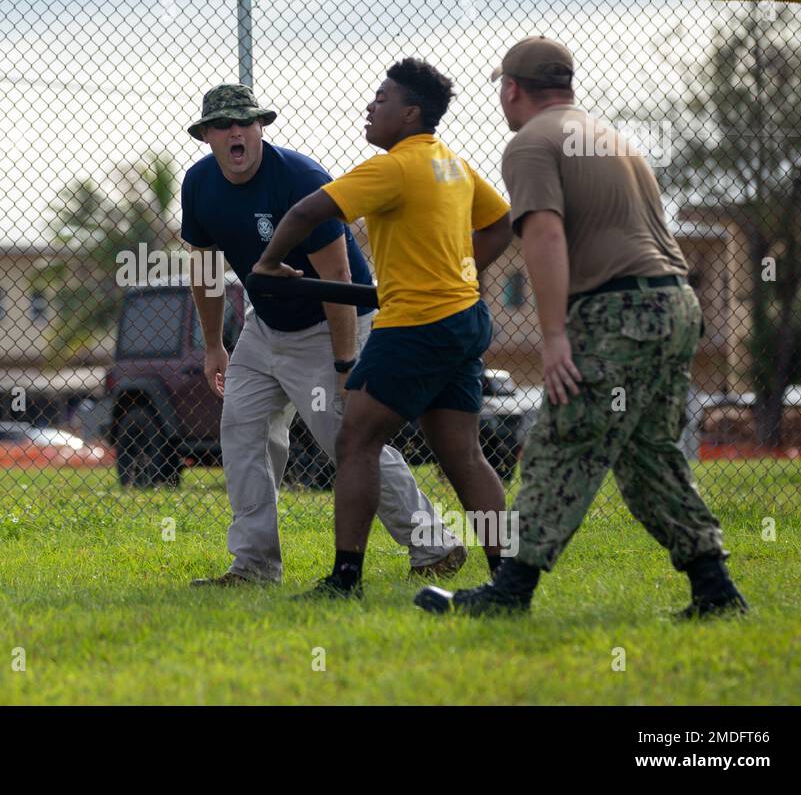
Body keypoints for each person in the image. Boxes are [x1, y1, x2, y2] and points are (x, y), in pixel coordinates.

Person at [417, 37, 747, 618]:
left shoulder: (530, 143)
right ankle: (715, 591)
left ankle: (509, 593)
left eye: (502, 88)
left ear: (512, 89)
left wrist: (553, 338)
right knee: (649, 456)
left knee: (559, 445)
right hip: (674, 306)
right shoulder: (614, 140)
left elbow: (542, 234)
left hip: (617, 312)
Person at [181, 83, 464, 587]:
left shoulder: (299, 180)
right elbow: (204, 269)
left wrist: (344, 365)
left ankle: (434, 543)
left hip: (331, 325)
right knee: (241, 433)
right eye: (223, 125)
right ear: (206, 136)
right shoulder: (199, 184)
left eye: (245, 122)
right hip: (264, 328)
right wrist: (213, 346)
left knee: (347, 437)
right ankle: (254, 566)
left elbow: (339, 282)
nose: (236, 132)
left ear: (261, 127)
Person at [253, 59, 513, 600]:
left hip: (415, 325)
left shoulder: (393, 166)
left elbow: (306, 212)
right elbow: (500, 223)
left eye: (382, 98)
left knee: (355, 440)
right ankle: (510, 576)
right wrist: (462, 271)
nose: (371, 107)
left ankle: (345, 579)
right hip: (465, 320)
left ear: (411, 113)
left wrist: (269, 265)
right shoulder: (453, 165)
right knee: (463, 455)